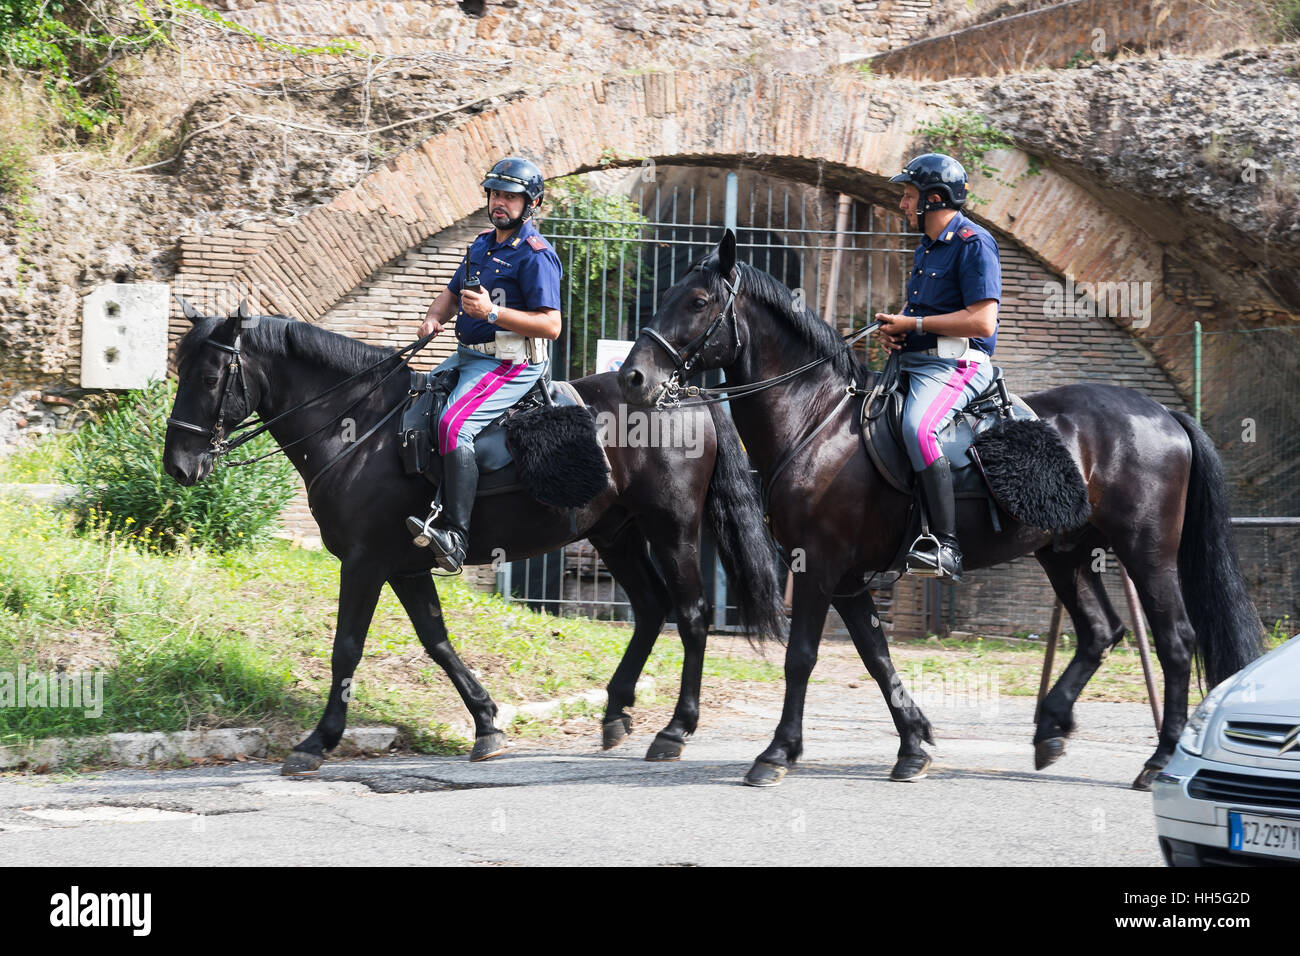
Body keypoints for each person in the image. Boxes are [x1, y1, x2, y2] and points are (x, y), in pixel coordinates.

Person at [406, 157, 563, 572]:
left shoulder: (536, 255)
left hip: (512, 363)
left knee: (453, 425)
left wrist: (493, 313)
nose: (500, 202)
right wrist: (434, 317)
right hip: (468, 357)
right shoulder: (481, 244)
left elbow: (551, 325)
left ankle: (455, 537)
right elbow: (453, 292)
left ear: (532, 203)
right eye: (495, 194)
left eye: (511, 196)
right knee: (407, 398)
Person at [873, 152, 1002, 583]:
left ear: (933, 198)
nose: (903, 204)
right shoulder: (926, 246)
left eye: (908, 196)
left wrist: (916, 323)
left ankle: (945, 545)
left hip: (959, 364)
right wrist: (898, 331)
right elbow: (920, 315)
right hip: (915, 360)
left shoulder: (973, 243)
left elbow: (982, 321)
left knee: (917, 428)